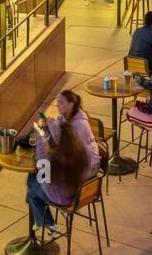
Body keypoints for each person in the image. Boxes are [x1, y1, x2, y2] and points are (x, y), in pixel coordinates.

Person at [23, 90, 101, 239]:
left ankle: (48, 224)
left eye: (61, 102)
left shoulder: (64, 155)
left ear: (71, 103)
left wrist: (41, 145)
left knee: (32, 185)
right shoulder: (78, 151)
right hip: (75, 188)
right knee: (33, 182)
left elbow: (43, 169)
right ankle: (41, 220)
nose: (57, 105)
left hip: (64, 196)